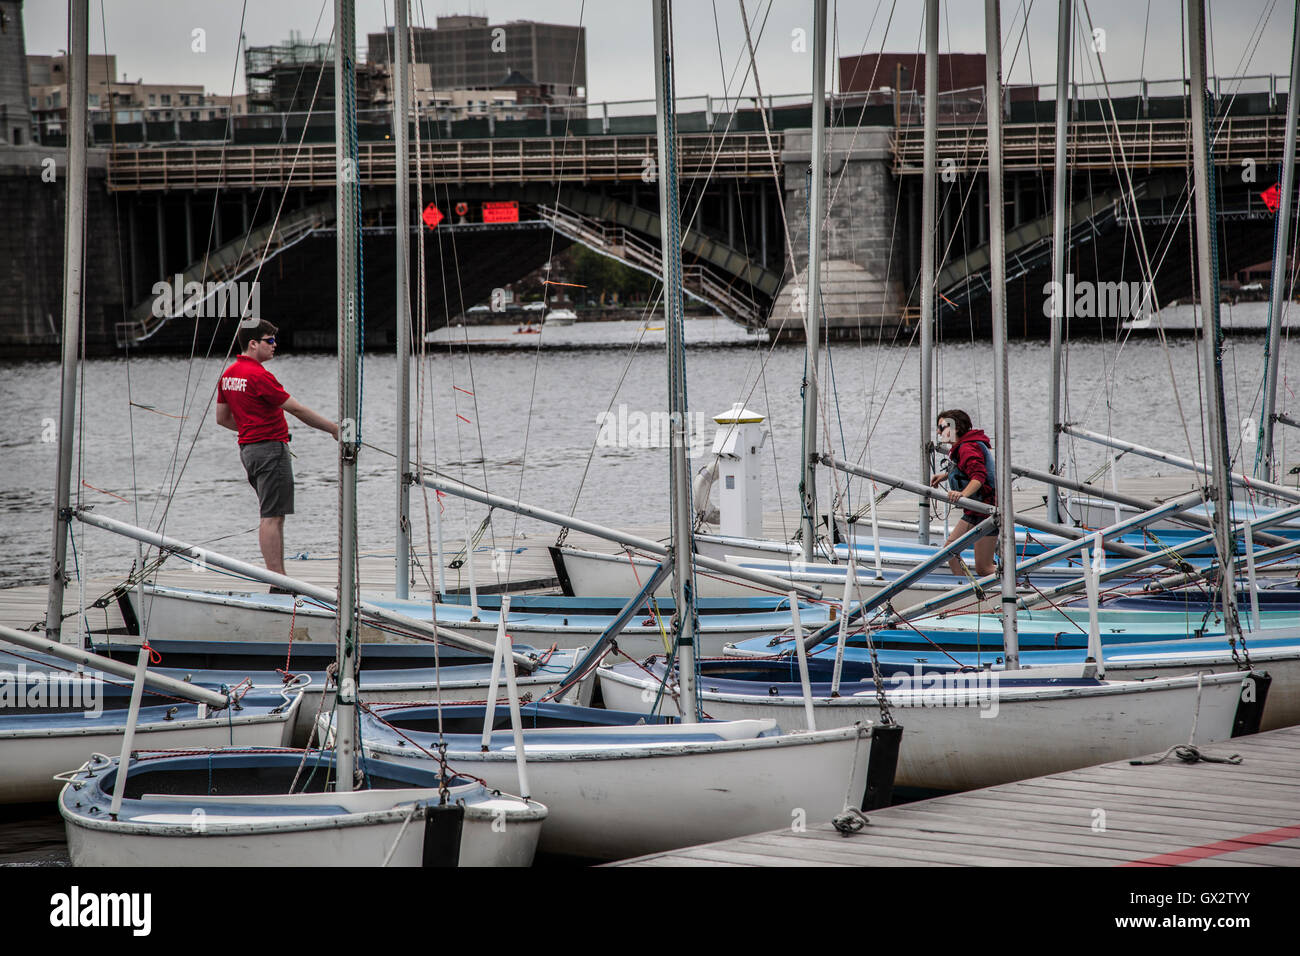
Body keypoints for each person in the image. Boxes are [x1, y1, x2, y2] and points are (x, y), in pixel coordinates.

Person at [216, 320, 338, 585]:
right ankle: (277, 579)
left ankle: (277, 575)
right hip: (269, 449)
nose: (274, 345)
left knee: (271, 512)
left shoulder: (229, 374)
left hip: (248, 450)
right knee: (272, 516)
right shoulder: (258, 375)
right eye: (269, 341)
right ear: (253, 343)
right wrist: (333, 429)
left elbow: (223, 419)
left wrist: (251, 427)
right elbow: (297, 409)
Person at [928, 408, 997, 577]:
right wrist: (946, 475)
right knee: (951, 551)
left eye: (942, 427)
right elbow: (964, 469)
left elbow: (979, 477)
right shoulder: (963, 446)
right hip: (974, 511)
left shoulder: (967, 448)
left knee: (984, 568)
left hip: (985, 512)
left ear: (956, 428)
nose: (938, 432)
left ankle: (1016, 580)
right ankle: (966, 589)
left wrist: (962, 494)